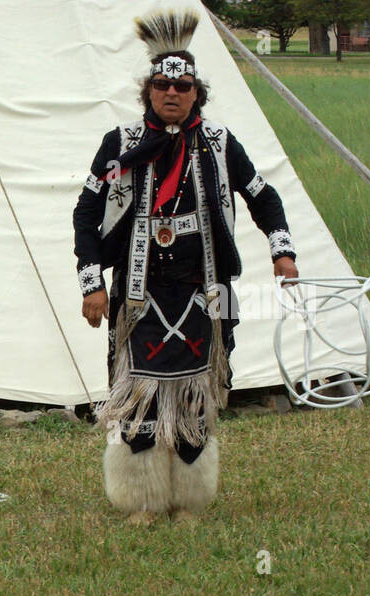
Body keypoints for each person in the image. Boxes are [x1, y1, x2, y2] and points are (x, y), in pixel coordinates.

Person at [73, 10, 299, 523]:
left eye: (182, 85)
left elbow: (264, 197)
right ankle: (145, 502)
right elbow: (86, 212)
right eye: (161, 85)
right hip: (138, 291)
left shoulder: (219, 145)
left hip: (204, 291)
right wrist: (91, 283)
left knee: (196, 396)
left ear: (197, 93)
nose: (171, 93)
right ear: (147, 91)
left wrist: (282, 251)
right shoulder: (122, 146)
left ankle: (190, 503)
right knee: (140, 400)